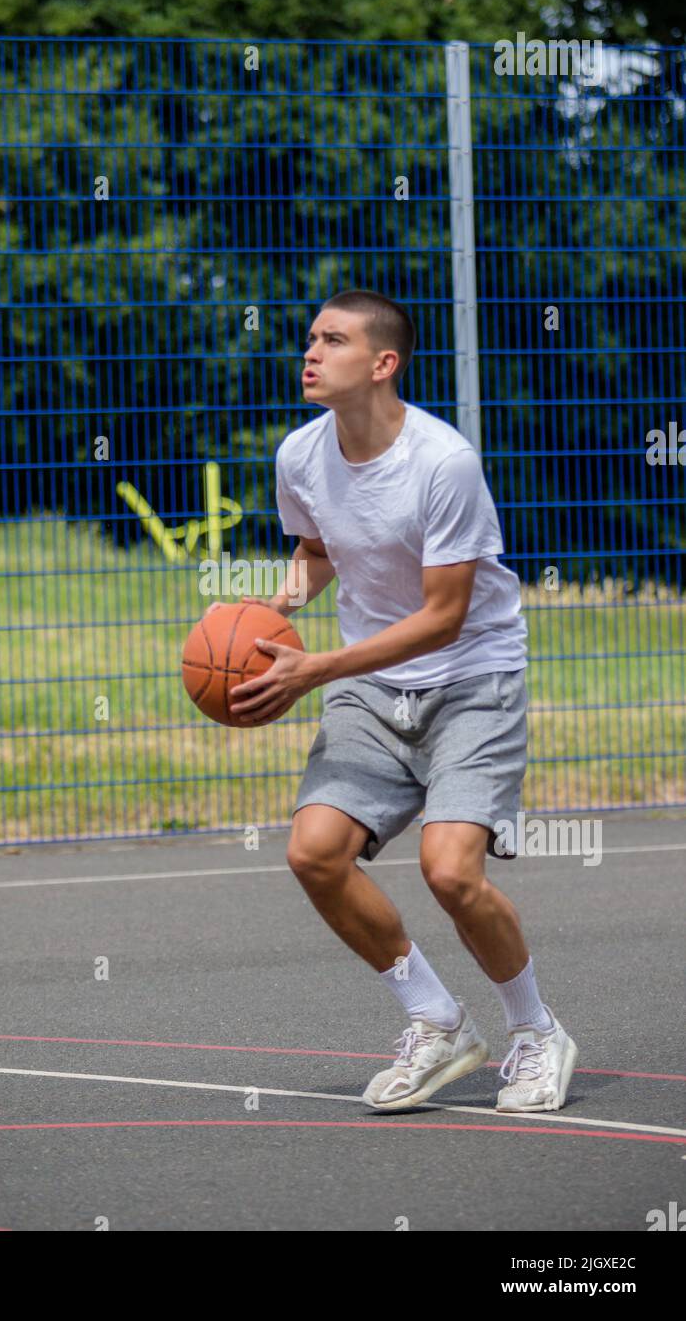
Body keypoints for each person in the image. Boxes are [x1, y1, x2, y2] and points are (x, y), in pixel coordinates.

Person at [221, 288, 578, 1114]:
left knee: (450, 872)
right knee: (313, 853)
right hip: (370, 688)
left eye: (333, 340)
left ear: (382, 364)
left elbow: (442, 617)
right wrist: (279, 606)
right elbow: (318, 549)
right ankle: (435, 1019)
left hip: (470, 682)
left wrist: (321, 667)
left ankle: (535, 1032)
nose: (310, 351)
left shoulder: (442, 461)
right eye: (309, 337)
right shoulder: (300, 456)